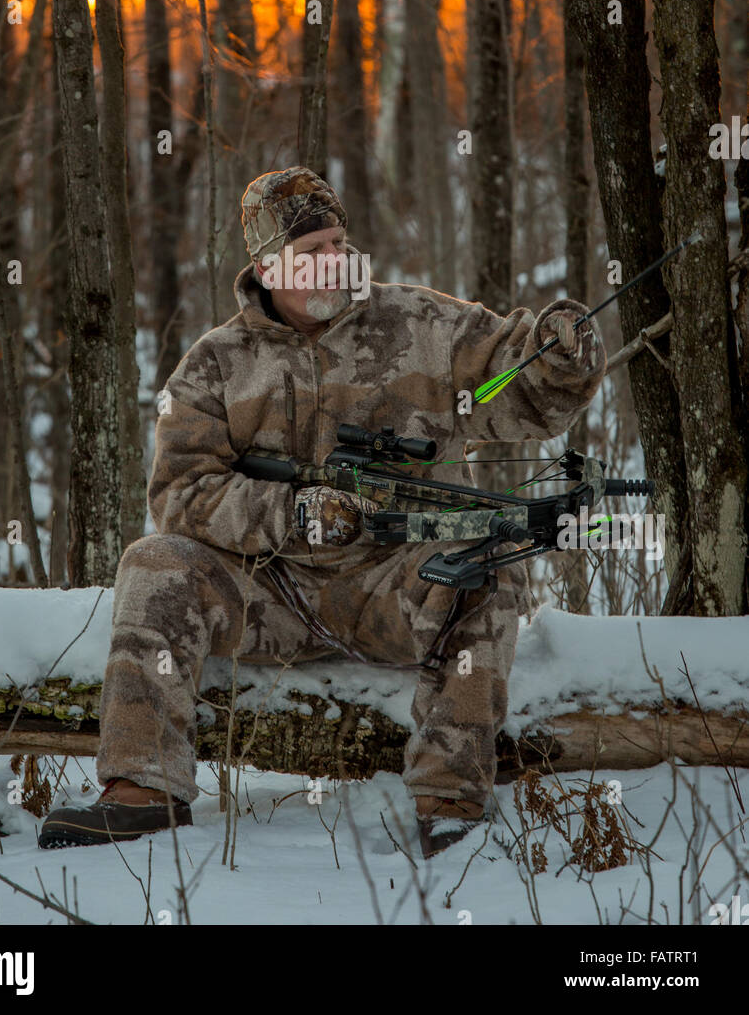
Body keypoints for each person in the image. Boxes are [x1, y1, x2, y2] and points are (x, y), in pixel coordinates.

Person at [39, 166, 605, 858]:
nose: (335, 259)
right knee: (154, 564)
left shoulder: (424, 325)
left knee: (485, 566)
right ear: (266, 266)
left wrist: (562, 354)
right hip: (268, 590)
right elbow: (179, 494)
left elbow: (527, 394)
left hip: (395, 584)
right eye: (312, 251)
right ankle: (141, 790)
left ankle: (449, 802)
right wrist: (292, 513)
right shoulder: (216, 364)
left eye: (339, 242)